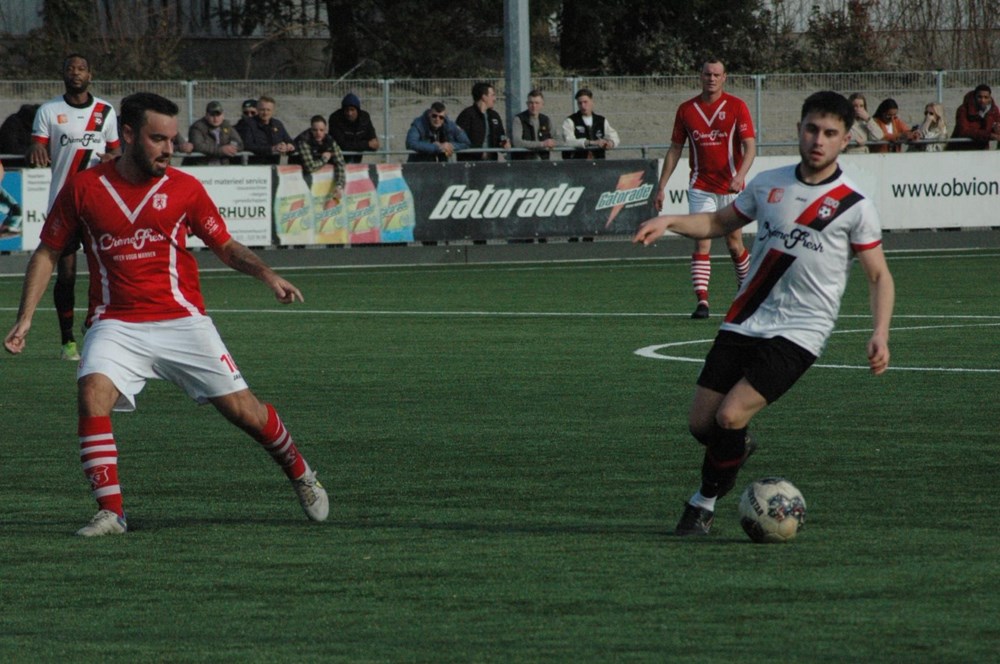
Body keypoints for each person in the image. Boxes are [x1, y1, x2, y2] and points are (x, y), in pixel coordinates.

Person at [4, 92, 329, 537]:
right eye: (158, 139)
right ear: (130, 135)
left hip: (182, 321)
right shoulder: (83, 189)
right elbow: (47, 252)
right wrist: (26, 318)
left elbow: (226, 245)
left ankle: (299, 470)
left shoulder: (184, 188)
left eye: (172, 139)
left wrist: (267, 276)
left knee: (244, 412)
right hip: (115, 322)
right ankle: (111, 512)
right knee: (91, 392)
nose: (169, 149)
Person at [633, 91, 895, 537]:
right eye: (812, 129)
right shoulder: (767, 183)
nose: (818, 140)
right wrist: (671, 220)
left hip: (800, 331)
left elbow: (878, 277)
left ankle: (702, 505)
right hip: (745, 318)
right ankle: (737, 449)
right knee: (702, 424)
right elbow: (718, 224)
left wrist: (880, 333)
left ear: (845, 141)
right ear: (798, 129)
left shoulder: (854, 206)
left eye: (830, 133)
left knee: (730, 417)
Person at [28, 53, 121, 361]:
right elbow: (38, 143)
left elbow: (117, 154)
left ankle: (94, 324)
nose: (76, 72)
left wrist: (113, 159)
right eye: (70, 68)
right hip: (64, 202)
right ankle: (67, 340)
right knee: (66, 275)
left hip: (97, 203)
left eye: (82, 68)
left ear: (90, 75)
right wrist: (37, 147)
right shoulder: (49, 110)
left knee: (104, 269)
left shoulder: (105, 112)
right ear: (63, 74)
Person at [654, 59, 756, 319]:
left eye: (717, 74)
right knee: (702, 242)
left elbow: (750, 146)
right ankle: (702, 302)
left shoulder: (736, 106)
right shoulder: (687, 110)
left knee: (734, 244)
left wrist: (740, 175)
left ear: (724, 78)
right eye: (707, 74)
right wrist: (662, 185)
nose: (711, 78)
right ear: (700, 76)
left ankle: (746, 294)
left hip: (730, 186)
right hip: (700, 186)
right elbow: (675, 149)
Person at [455, 82, 510, 161]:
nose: (495, 99)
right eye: (492, 95)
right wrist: (479, 153)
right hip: (470, 164)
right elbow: (460, 139)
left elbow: (500, 136)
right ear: (484, 97)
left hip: (491, 164)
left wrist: (503, 143)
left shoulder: (494, 116)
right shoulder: (467, 115)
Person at [561, 88, 619, 159]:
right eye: (580, 103)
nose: (583, 106)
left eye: (585, 102)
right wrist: (590, 143)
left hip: (599, 162)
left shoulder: (601, 120)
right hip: (578, 163)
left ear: (592, 101)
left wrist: (610, 143)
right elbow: (568, 141)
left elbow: (614, 137)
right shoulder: (570, 120)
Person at [237, 95, 296, 164]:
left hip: (274, 164)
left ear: (273, 111)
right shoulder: (248, 124)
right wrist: (272, 149)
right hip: (255, 165)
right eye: (262, 110)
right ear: (258, 109)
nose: (265, 113)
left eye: (268, 110)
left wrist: (290, 146)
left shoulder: (277, 124)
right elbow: (247, 145)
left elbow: (289, 140)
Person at [293, 115, 346, 191]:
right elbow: (310, 167)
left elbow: (340, 162)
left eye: (321, 130)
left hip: (318, 183)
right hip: (297, 178)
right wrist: (325, 159)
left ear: (325, 130)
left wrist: (339, 185)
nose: (318, 133)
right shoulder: (304, 140)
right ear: (311, 129)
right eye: (315, 130)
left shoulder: (329, 140)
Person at [405, 102, 471, 163]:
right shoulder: (419, 124)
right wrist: (436, 147)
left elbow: (466, 142)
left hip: (442, 166)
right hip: (420, 165)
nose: (437, 119)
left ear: (444, 118)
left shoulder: (449, 125)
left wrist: (450, 145)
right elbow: (410, 143)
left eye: (441, 117)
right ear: (429, 114)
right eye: (434, 116)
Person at [188, 100, 244, 165]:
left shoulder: (227, 126)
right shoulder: (197, 127)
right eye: (212, 115)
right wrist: (221, 150)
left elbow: (239, 143)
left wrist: (231, 147)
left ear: (223, 115)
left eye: (218, 115)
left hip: (223, 166)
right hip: (201, 165)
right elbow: (198, 146)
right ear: (206, 115)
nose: (215, 118)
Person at [327, 93, 379, 163]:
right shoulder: (335, 119)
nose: (349, 113)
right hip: (337, 159)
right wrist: (366, 144)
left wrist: (371, 144)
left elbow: (374, 143)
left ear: (358, 110)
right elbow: (341, 145)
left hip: (357, 157)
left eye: (352, 110)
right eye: (347, 110)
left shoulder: (365, 118)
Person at [948, 84, 1000, 151]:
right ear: (975, 97)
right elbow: (963, 131)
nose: (982, 100)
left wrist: (997, 129)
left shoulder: (993, 110)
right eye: (979, 97)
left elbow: (995, 125)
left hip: (981, 150)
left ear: (990, 98)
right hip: (960, 149)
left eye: (986, 97)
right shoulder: (963, 110)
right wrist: (989, 135)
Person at [510, 89, 557, 160]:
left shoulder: (546, 120)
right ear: (527, 104)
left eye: (537, 103)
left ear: (542, 104)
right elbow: (517, 142)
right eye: (531, 103)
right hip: (524, 163)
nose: (534, 106)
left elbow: (557, 138)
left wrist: (553, 143)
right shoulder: (519, 119)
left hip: (543, 162)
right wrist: (542, 144)